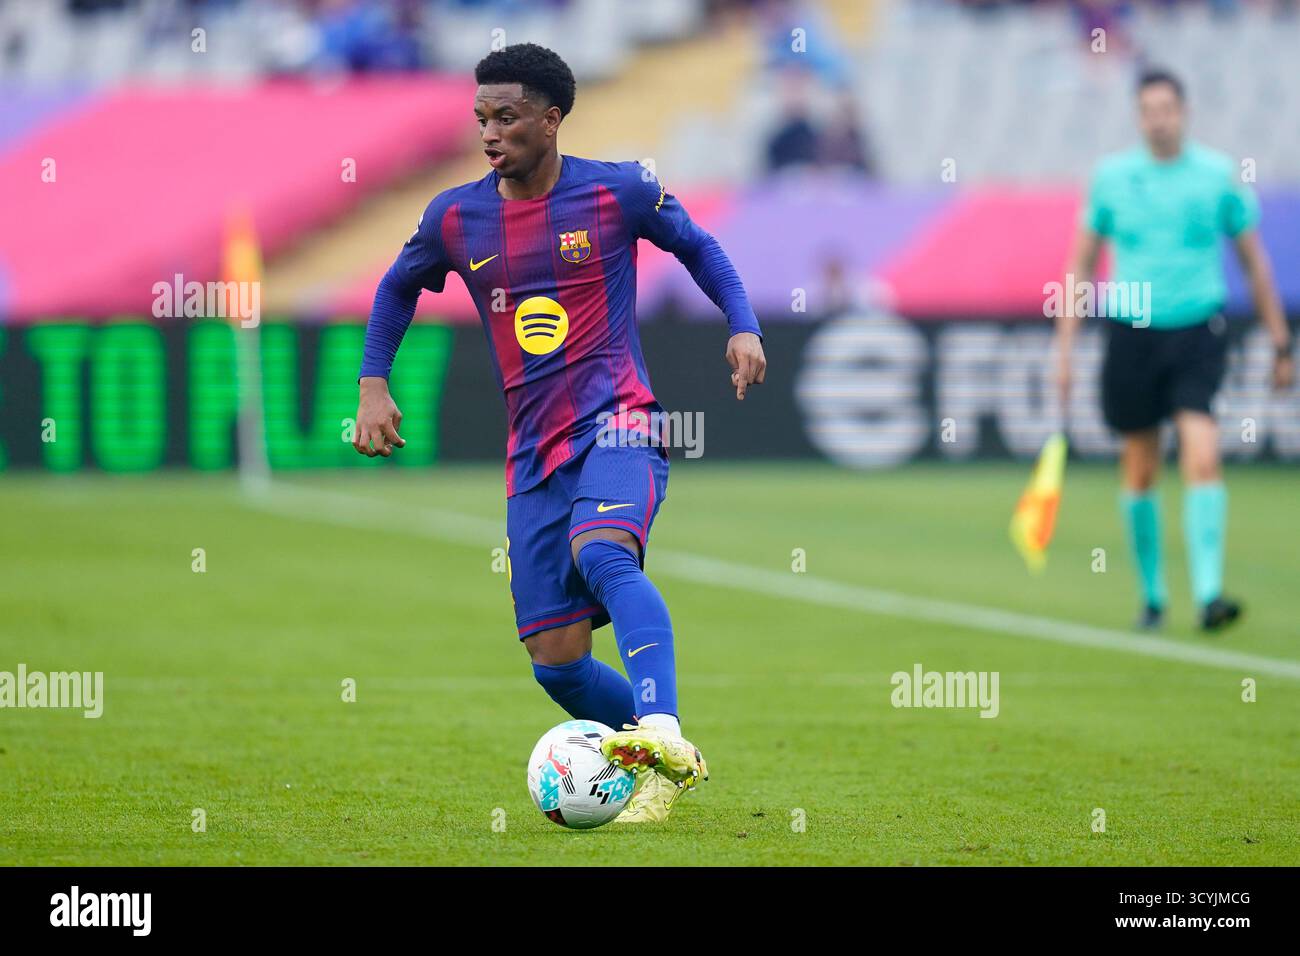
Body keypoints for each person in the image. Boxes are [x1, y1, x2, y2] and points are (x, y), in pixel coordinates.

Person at [354, 43, 767, 821]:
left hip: (620, 426)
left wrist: (741, 326)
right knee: (558, 662)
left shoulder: (620, 191)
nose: (489, 132)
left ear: (551, 120)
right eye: (480, 117)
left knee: (602, 550)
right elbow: (395, 287)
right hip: (532, 457)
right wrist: (372, 385)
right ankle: (658, 759)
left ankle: (661, 729)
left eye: (506, 117)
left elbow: (700, 247)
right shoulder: (455, 216)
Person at [1055, 68, 1293, 633]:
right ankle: (1153, 596)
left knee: (1201, 453)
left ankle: (1209, 593)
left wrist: (1280, 340)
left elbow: (1254, 262)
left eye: (1167, 108)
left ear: (1183, 112)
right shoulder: (1112, 178)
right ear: (1139, 117)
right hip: (1133, 330)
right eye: (1149, 110)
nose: (1159, 118)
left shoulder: (1217, 176)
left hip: (1196, 331)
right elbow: (1081, 262)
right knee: (1139, 468)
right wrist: (1063, 348)